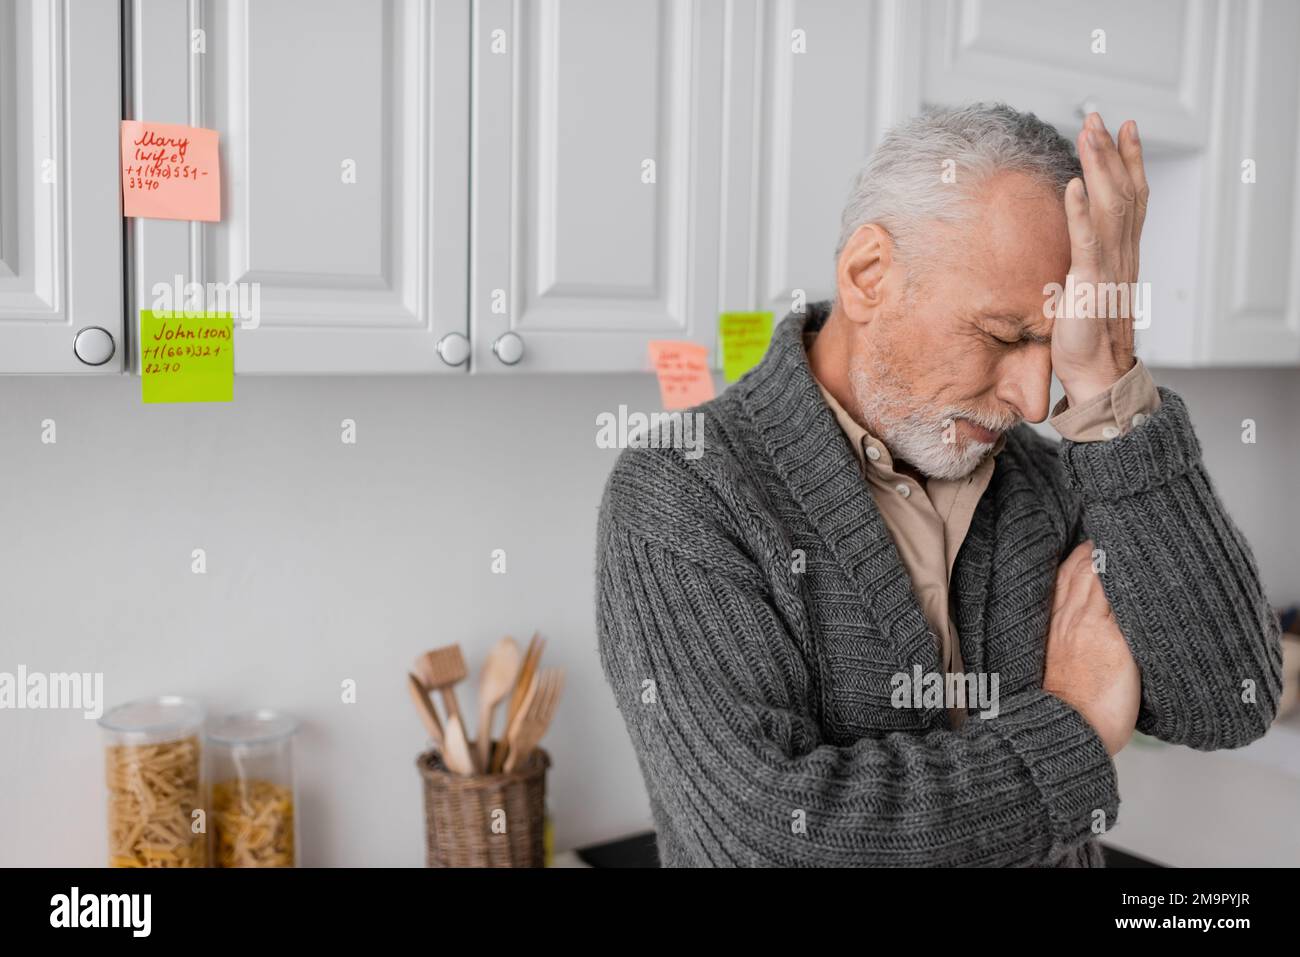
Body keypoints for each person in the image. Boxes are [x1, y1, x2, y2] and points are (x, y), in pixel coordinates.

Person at [594, 103, 1283, 867]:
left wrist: (1111, 387)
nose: (1032, 401)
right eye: (1005, 335)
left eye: (1058, 348)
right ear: (869, 275)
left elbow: (1231, 699)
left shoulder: (1053, 480)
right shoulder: (682, 495)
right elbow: (772, 841)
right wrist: (1076, 720)